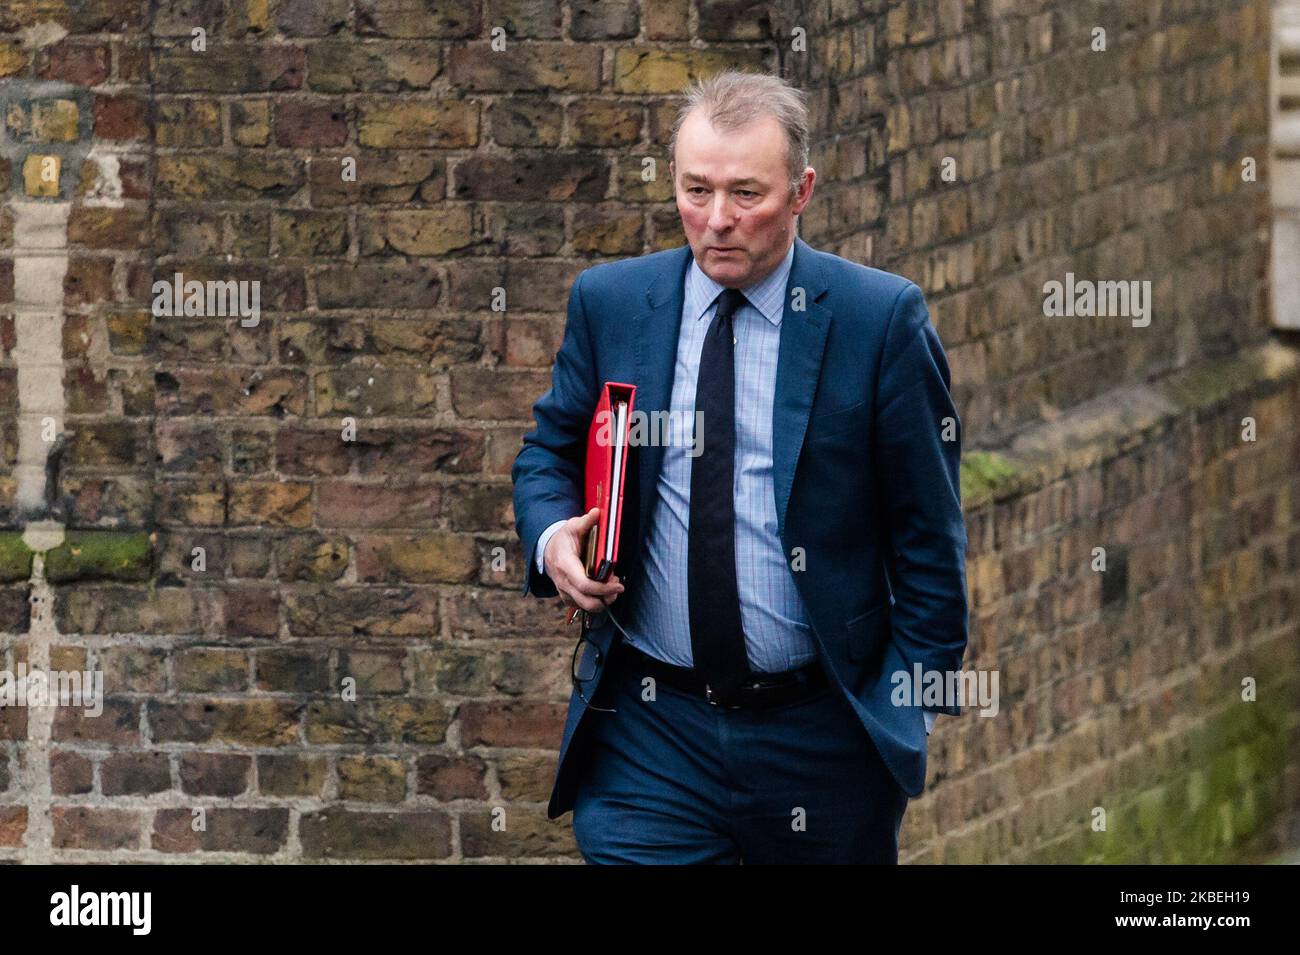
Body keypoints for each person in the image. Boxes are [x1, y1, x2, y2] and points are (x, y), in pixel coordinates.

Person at [511, 70, 968, 863]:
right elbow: (547, 450)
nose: (717, 220)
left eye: (746, 195)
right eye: (697, 190)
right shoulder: (613, 302)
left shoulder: (878, 321)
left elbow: (931, 537)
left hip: (821, 739)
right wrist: (554, 539)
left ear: (802, 192)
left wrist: (903, 711)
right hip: (651, 732)